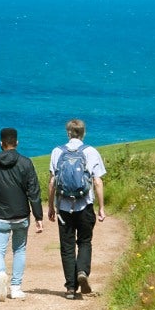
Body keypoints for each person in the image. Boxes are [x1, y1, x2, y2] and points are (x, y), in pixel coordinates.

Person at [0, 126, 42, 301]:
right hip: (21, 215)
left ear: (1, 143)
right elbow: (34, 191)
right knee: (19, 250)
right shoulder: (26, 163)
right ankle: (16, 288)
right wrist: (39, 216)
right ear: (17, 142)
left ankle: (0, 274)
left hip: (1, 216)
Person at [48, 119, 106, 299]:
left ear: (68, 133)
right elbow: (97, 181)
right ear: (83, 133)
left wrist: (50, 206)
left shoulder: (57, 151)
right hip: (85, 204)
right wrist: (101, 207)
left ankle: (70, 288)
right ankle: (82, 271)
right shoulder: (91, 151)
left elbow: (52, 182)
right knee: (84, 241)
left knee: (67, 246)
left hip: (64, 207)